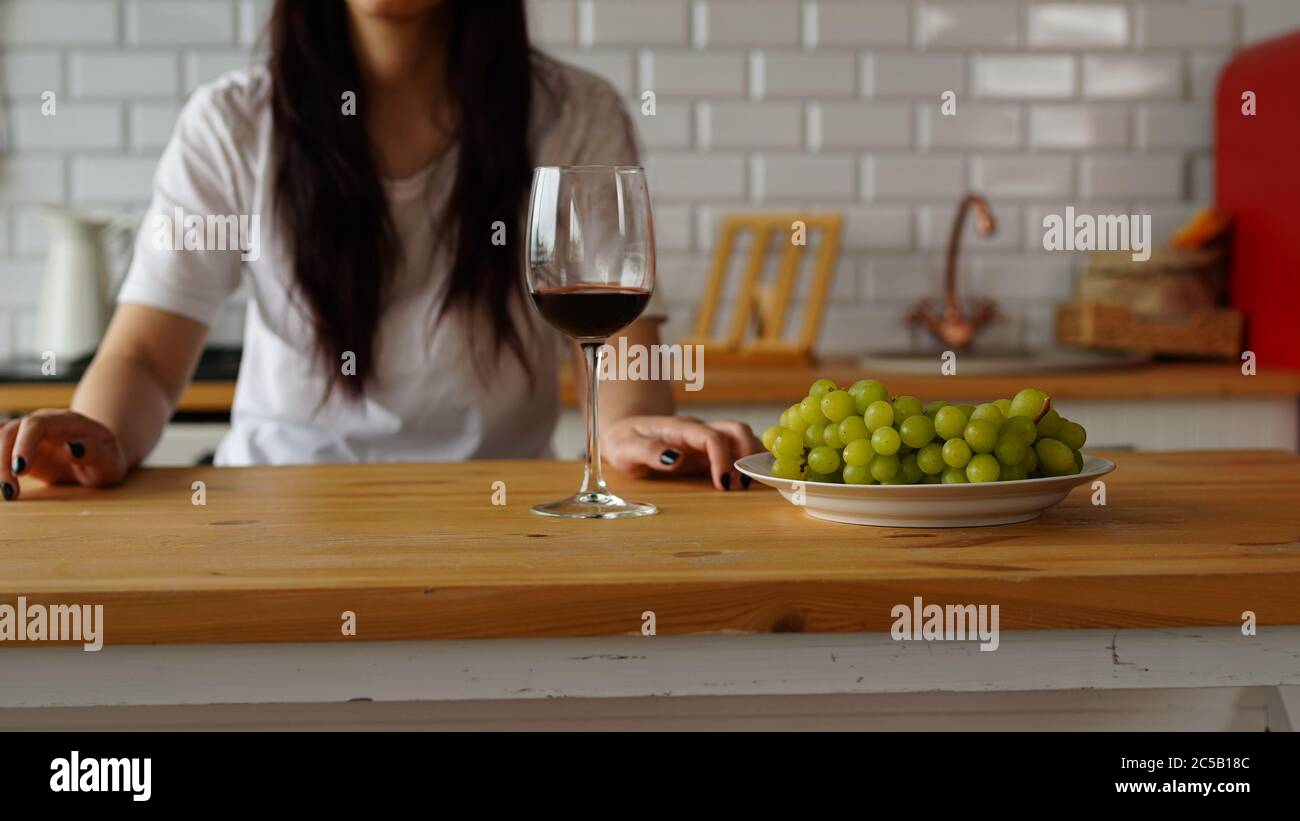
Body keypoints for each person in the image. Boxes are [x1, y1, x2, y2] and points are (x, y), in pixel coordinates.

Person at [0, 0, 762, 502]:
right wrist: (83, 442)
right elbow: (145, 356)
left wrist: (628, 430)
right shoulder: (230, 123)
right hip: (271, 515)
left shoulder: (576, 115)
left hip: (502, 515)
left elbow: (621, 341)